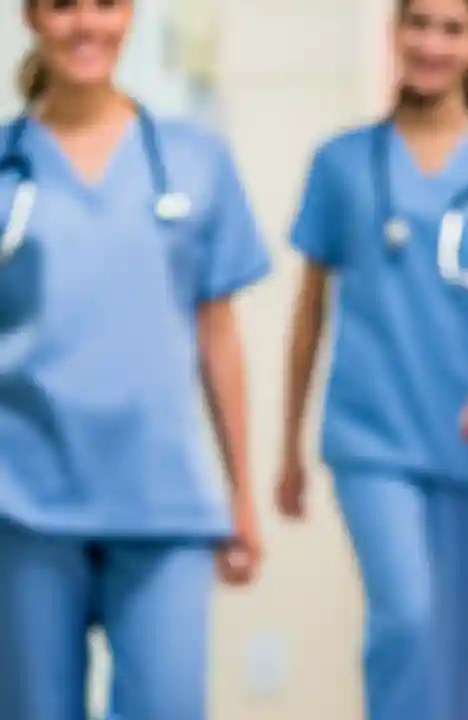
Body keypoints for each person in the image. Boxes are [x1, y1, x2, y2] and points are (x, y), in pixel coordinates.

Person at [277, 0, 468, 717]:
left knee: (462, 644)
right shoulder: (341, 162)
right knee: (406, 618)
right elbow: (309, 313)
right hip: (372, 438)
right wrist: (288, 446)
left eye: (452, 29)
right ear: (395, 36)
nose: (432, 43)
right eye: (419, 24)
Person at [0, 1, 271, 718]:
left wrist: (242, 492)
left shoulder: (193, 158)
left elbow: (219, 336)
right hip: (23, 500)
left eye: (105, 4)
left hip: (163, 499)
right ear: (31, 17)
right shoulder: (6, 165)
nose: (85, 25)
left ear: (130, 15)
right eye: (62, 6)